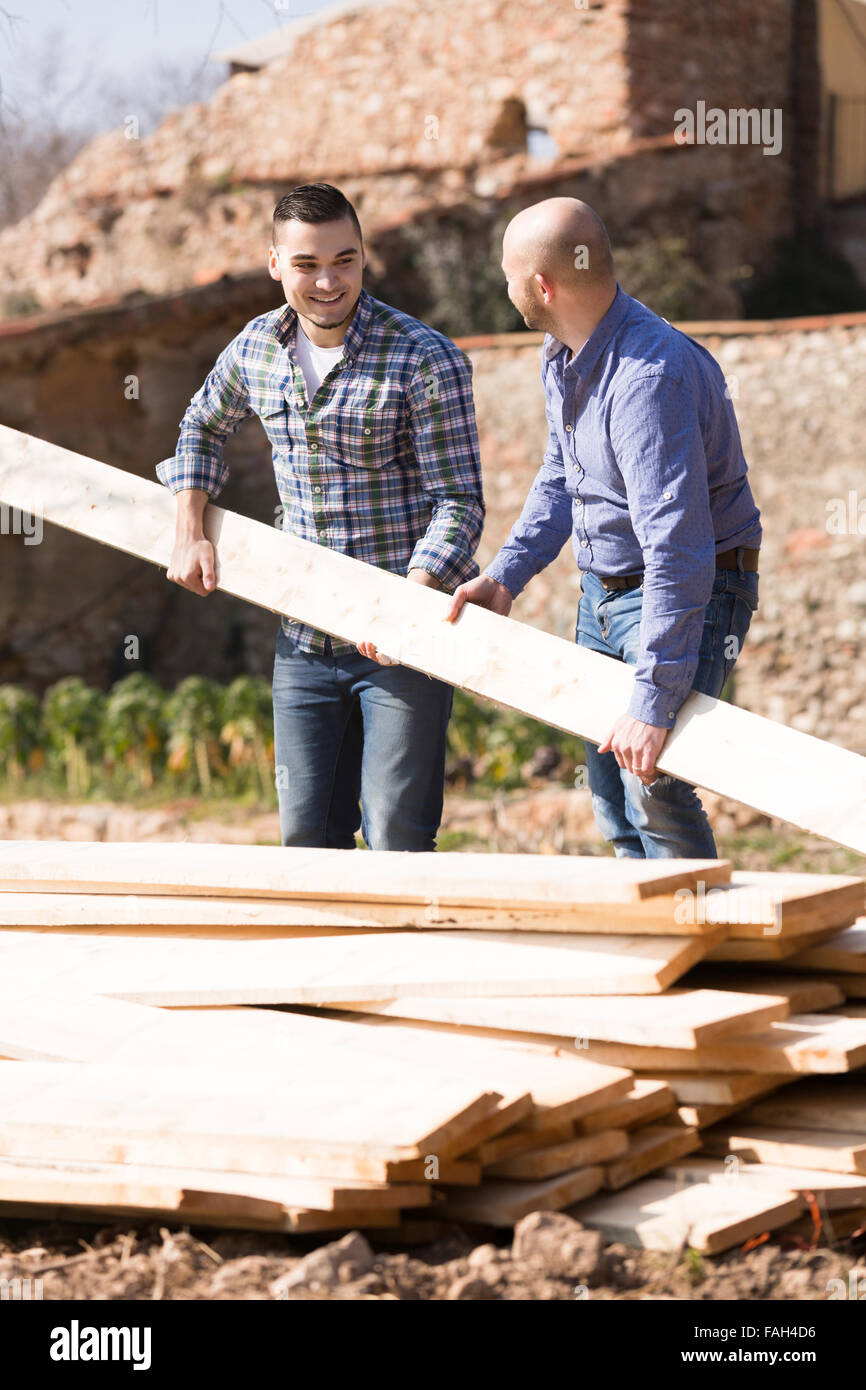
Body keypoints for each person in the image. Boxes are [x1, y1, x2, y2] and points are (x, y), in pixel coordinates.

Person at [158, 182, 484, 851]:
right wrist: (190, 531)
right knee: (306, 842)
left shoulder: (423, 357)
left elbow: (459, 502)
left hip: (402, 649)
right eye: (307, 265)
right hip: (303, 643)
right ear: (275, 263)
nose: (329, 281)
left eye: (346, 260)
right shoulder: (256, 348)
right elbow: (200, 428)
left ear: (366, 257)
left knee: (397, 838)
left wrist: (410, 600)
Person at [448, 197, 761, 860]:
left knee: (653, 781)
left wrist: (654, 700)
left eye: (508, 274)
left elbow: (678, 550)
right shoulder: (564, 354)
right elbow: (563, 478)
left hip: (686, 587)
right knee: (611, 792)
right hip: (604, 591)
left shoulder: (648, 379)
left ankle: (701, 938)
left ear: (541, 285)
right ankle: (650, 928)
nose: (503, 287)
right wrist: (505, 578)